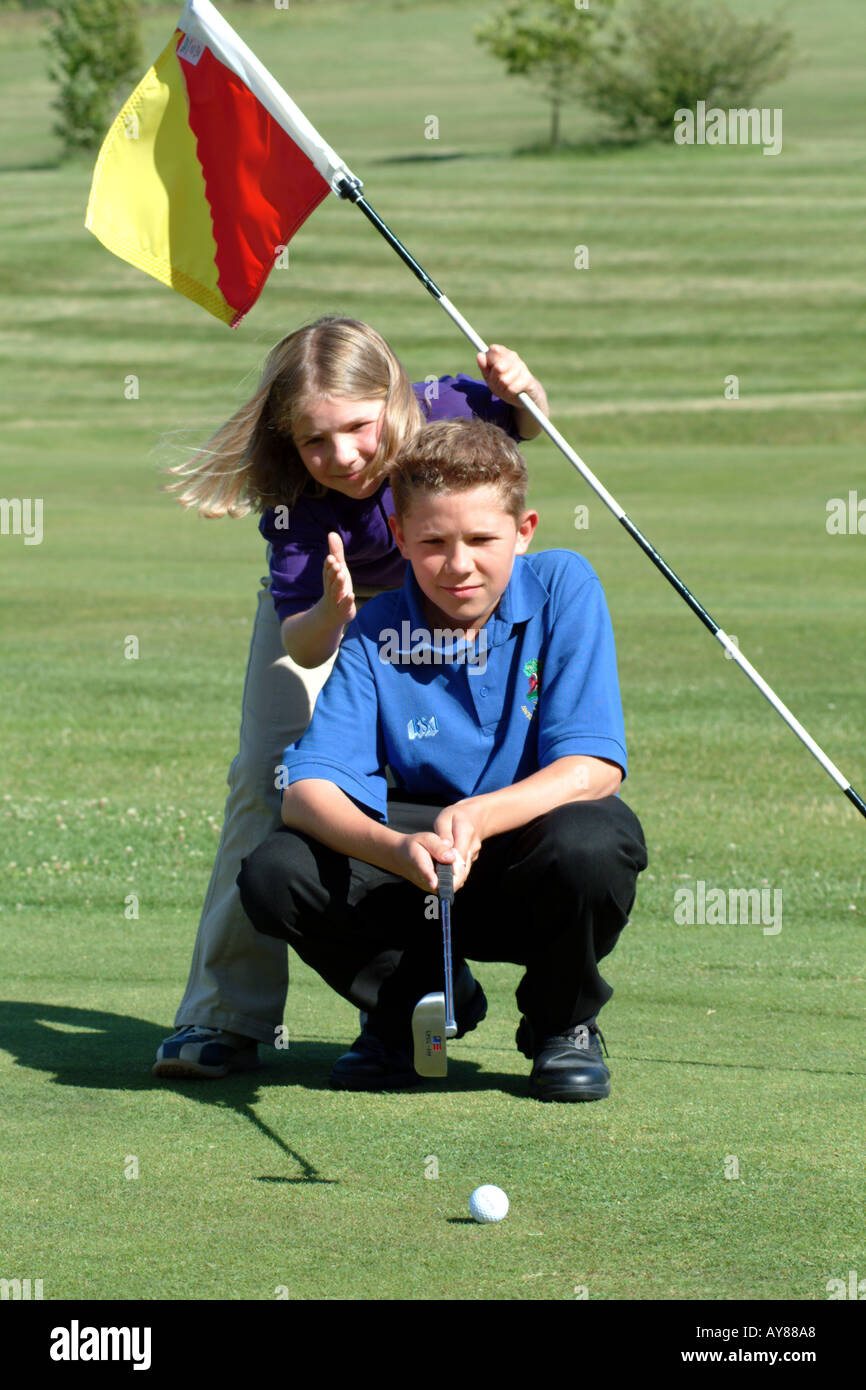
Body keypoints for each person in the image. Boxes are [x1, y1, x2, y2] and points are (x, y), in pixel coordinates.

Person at [153, 318, 550, 1078]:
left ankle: (410, 991)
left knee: (427, 771)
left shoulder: (448, 405)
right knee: (269, 778)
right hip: (320, 609)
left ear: (396, 397)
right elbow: (302, 645)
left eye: (361, 428)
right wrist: (335, 614)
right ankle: (225, 1015)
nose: (342, 458)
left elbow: (530, 424)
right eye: (314, 440)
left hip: (436, 577)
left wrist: (524, 388)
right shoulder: (296, 500)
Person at [237, 419, 648, 1102]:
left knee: (594, 840)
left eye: (483, 540)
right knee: (275, 872)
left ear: (524, 530)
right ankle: (409, 1007)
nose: (458, 564)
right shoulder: (375, 629)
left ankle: (561, 1023)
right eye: (432, 542)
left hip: (526, 849)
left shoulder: (565, 585)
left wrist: (481, 814)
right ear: (399, 538)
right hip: (416, 862)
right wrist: (396, 848)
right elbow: (304, 791)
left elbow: (594, 766)